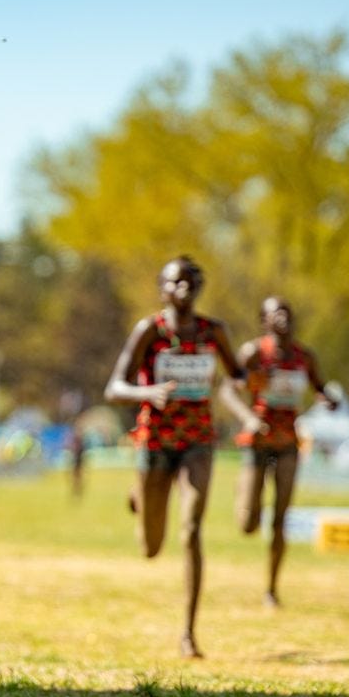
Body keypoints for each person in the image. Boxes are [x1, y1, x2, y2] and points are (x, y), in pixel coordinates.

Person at [103, 256, 259, 658]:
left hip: (197, 441)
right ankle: (140, 498)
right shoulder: (149, 331)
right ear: (163, 289)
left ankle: (188, 633)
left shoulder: (213, 331)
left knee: (191, 530)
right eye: (176, 283)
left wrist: (247, 380)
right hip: (155, 440)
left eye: (191, 282)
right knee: (151, 547)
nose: (184, 289)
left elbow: (237, 375)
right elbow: (114, 387)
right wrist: (147, 393)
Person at [220, 296, 338, 607]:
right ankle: (246, 495)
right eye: (276, 313)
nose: (283, 318)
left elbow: (319, 386)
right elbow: (227, 390)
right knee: (249, 525)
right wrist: (248, 418)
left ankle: (271, 589)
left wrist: (327, 398)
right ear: (264, 321)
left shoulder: (304, 357)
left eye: (287, 312)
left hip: (287, 444)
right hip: (257, 443)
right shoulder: (254, 353)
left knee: (281, 519)